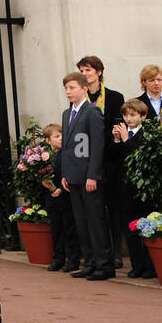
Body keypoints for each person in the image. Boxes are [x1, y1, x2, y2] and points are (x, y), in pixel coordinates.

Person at [60, 71, 112, 280]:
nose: (68, 92)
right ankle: (90, 262)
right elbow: (67, 147)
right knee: (81, 222)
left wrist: (93, 175)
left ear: (83, 88)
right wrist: (65, 173)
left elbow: (97, 145)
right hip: (73, 176)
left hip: (89, 177)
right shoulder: (66, 114)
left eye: (71, 88)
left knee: (95, 221)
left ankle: (104, 265)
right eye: (65, 88)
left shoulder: (92, 111)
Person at [77, 55, 126, 270]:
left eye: (88, 70)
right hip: (88, 160)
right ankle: (99, 251)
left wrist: (102, 140)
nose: (85, 74)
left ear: (98, 72)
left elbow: (117, 125)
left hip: (110, 159)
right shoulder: (79, 99)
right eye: (82, 70)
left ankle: (116, 252)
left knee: (114, 206)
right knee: (95, 210)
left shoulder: (114, 97)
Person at [113, 99, 156, 279]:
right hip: (125, 191)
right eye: (125, 115)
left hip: (142, 191)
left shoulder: (147, 134)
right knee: (129, 230)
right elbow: (114, 160)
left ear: (143, 116)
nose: (128, 119)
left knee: (144, 228)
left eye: (133, 115)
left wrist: (125, 140)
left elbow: (141, 157)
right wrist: (116, 141)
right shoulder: (123, 135)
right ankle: (136, 265)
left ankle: (149, 267)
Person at [40, 123, 81, 273]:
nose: (61, 138)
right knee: (56, 228)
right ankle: (58, 258)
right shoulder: (44, 157)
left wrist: (60, 189)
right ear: (47, 140)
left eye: (62, 135)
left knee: (69, 227)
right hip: (51, 197)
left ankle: (73, 259)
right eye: (56, 136)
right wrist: (45, 184)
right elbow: (41, 174)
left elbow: (69, 173)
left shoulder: (67, 154)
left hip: (65, 195)